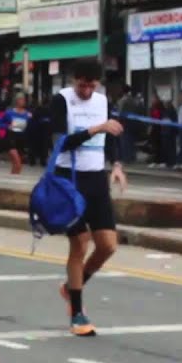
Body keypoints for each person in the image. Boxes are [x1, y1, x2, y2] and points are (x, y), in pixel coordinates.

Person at [51, 60, 127, 337]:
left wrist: (117, 165)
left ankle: (73, 285)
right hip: (68, 178)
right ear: (74, 81)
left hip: (95, 178)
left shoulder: (102, 102)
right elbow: (60, 142)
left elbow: (114, 135)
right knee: (79, 243)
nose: (85, 90)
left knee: (107, 245)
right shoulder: (62, 101)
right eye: (81, 85)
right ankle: (77, 312)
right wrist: (95, 129)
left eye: (91, 85)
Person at [0, 93, 31, 175]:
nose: (22, 102)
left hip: (22, 139)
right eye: (20, 100)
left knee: (17, 165)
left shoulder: (27, 114)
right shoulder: (9, 113)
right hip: (11, 138)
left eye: (23, 100)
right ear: (16, 101)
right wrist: (7, 126)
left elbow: (30, 127)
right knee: (17, 162)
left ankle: (13, 178)